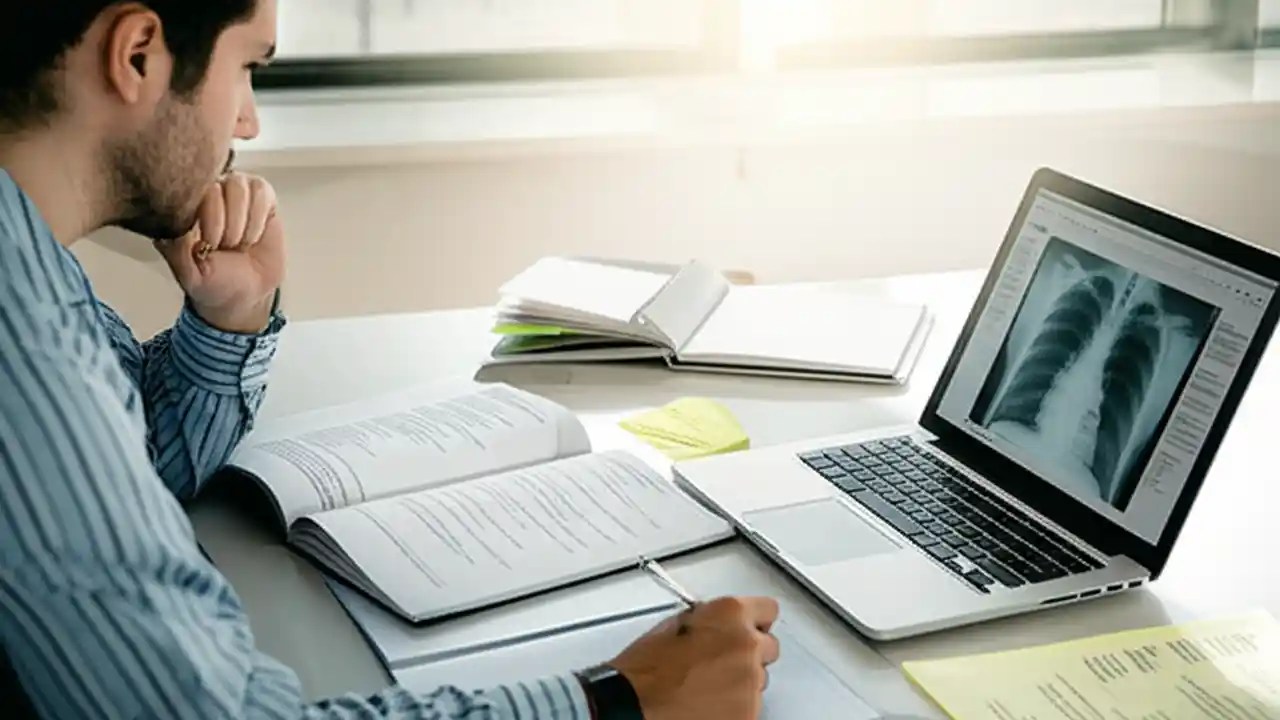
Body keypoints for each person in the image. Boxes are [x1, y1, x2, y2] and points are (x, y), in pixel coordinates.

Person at [0, 2, 782, 718]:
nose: (247, 120)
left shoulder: (29, 257)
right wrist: (619, 702)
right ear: (136, 55)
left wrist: (228, 321)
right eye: (247, 66)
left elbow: (126, 466)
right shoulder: (23, 345)